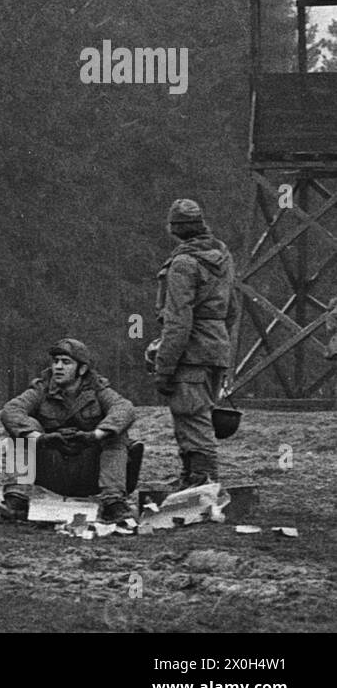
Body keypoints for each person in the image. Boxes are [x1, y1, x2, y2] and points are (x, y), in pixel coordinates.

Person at [1, 339, 143, 522]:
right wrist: (41, 438)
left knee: (115, 434)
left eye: (66, 362)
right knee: (22, 431)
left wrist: (95, 435)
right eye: (56, 361)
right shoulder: (42, 388)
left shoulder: (98, 389)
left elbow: (124, 409)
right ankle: (17, 499)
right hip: (52, 468)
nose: (58, 367)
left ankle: (113, 502)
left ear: (82, 369)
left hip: (90, 472)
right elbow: (11, 411)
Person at [153, 198, 238, 488]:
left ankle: (203, 483)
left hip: (191, 354)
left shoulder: (183, 263)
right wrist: (215, 341)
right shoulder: (222, 256)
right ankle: (192, 479)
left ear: (174, 228)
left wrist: (164, 367)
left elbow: (178, 321)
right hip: (216, 349)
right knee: (197, 417)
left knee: (191, 418)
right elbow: (232, 310)